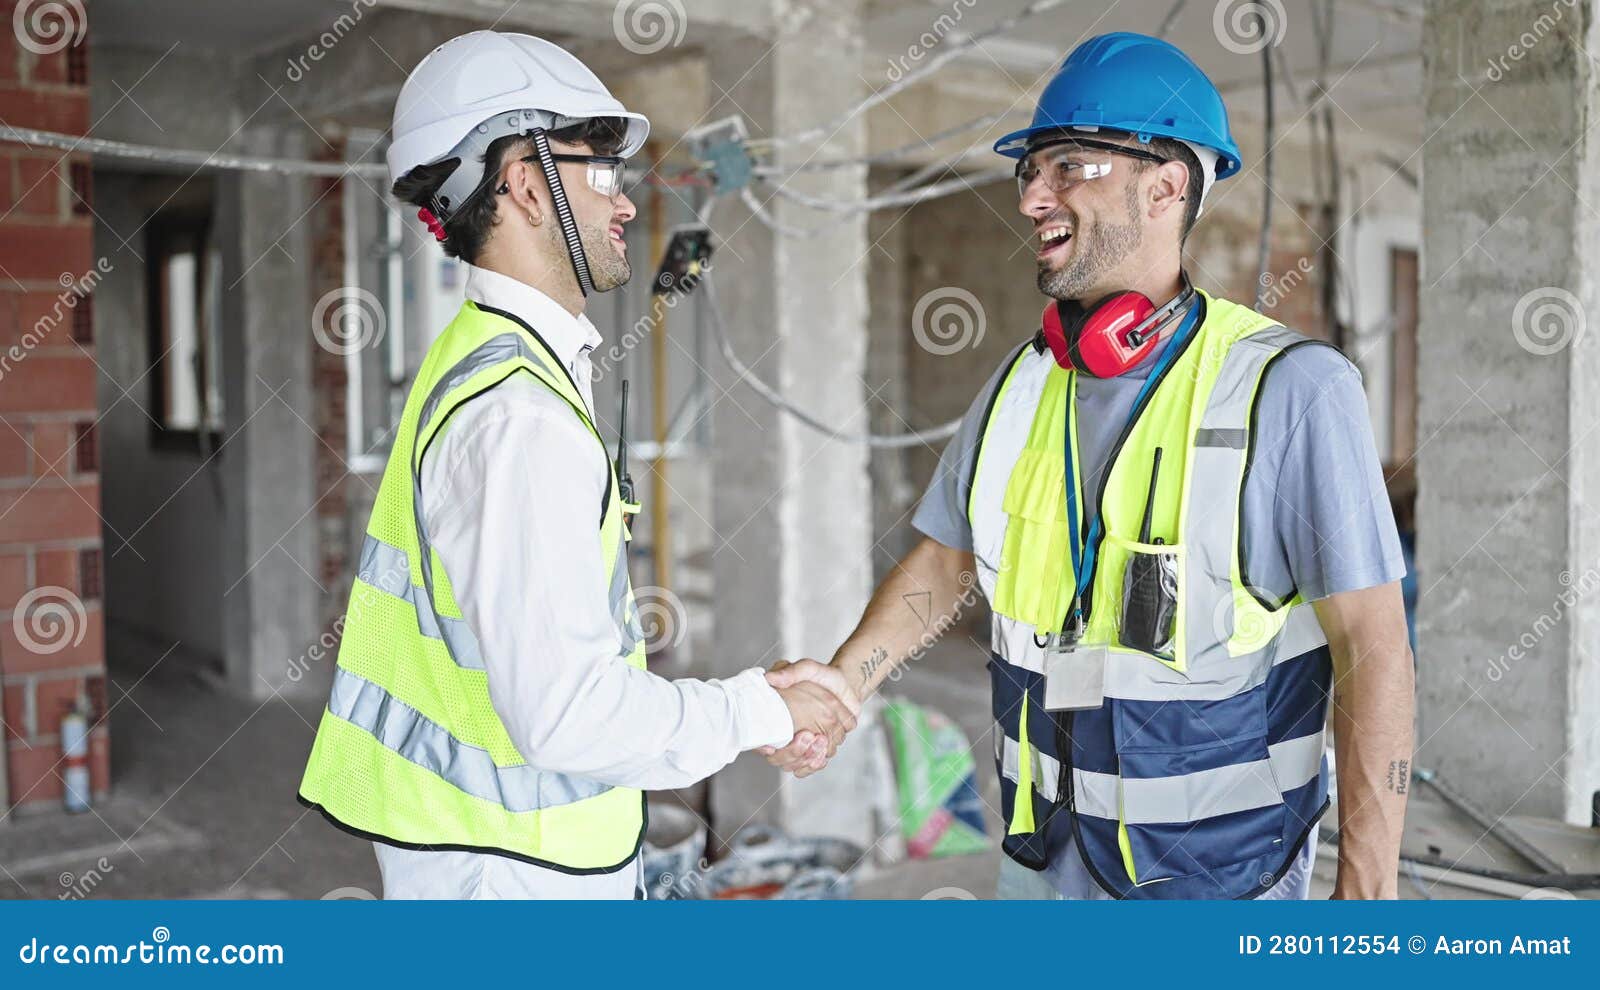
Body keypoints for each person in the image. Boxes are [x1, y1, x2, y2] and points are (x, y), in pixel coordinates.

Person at [766, 32, 1415, 900]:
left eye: (1069, 164)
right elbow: (947, 559)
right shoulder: (1024, 380)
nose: (1034, 195)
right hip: (1038, 858)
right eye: (1031, 170)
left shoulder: (1289, 390)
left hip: (1216, 883)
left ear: (1166, 185)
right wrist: (848, 683)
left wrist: (1366, 903)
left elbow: (1373, 647)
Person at [298, 30, 855, 900]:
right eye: (600, 170)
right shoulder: (518, 416)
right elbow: (567, 714)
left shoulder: (488, 360)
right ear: (523, 181)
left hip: (489, 856)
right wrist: (759, 709)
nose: (625, 201)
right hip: (512, 877)